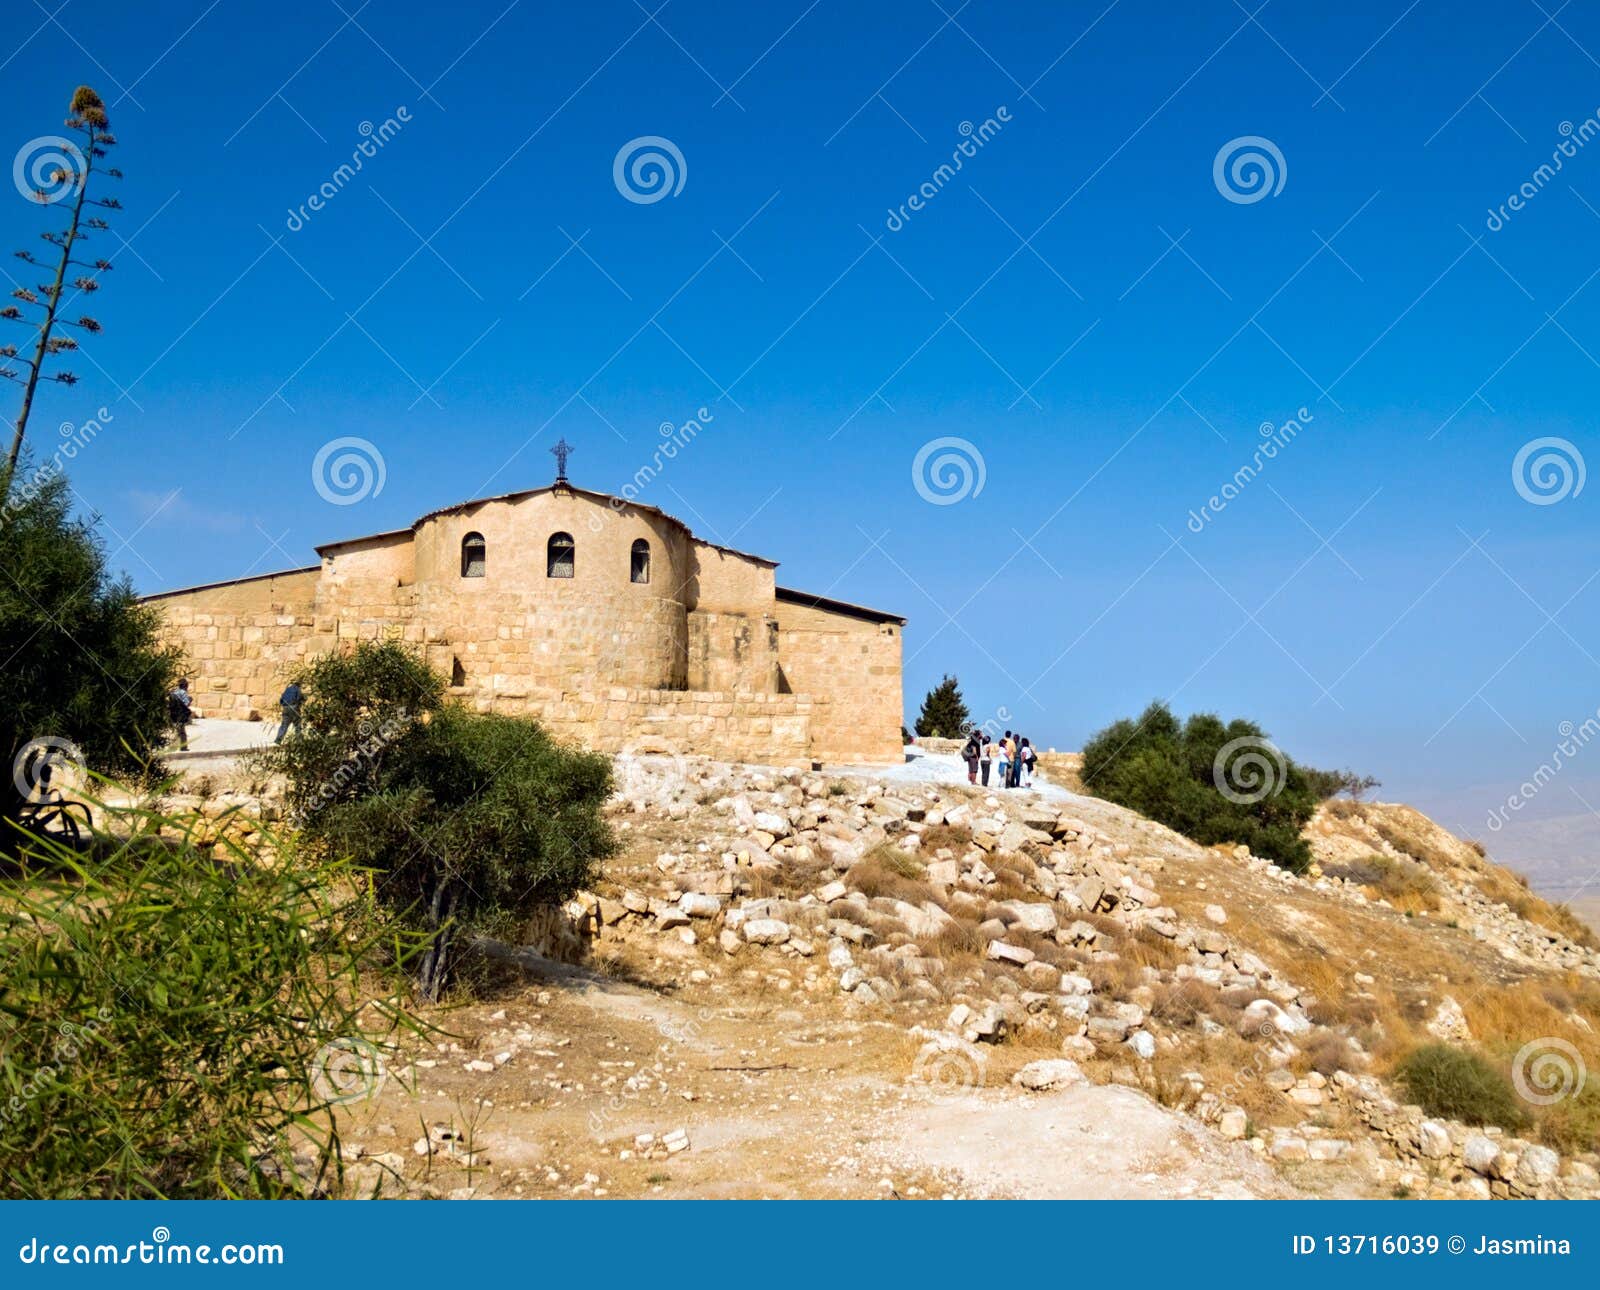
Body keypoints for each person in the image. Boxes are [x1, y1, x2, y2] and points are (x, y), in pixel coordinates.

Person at [168, 678, 194, 751]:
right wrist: (190, 699)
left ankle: (173, 746)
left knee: (177, 730)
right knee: (182, 732)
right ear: (186, 686)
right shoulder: (183, 693)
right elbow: (186, 704)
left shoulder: (174, 692)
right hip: (181, 714)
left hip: (173, 714)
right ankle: (183, 747)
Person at [275, 680, 304, 744]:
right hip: (294, 708)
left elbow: (281, 700)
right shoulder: (298, 689)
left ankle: (278, 740)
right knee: (297, 725)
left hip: (285, 708)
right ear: (299, 685)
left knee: (284, 725)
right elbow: (300, 698)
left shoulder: (287, 689)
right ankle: (299, 741)